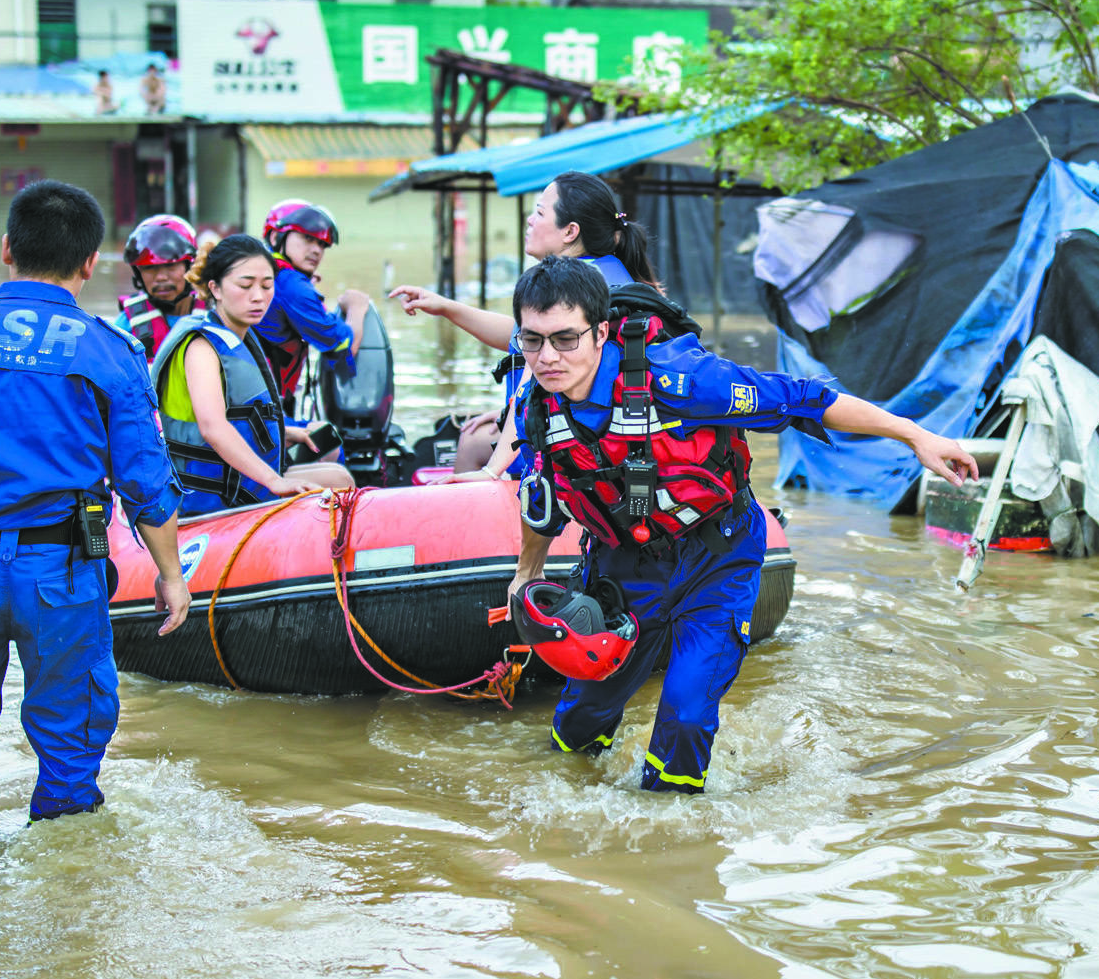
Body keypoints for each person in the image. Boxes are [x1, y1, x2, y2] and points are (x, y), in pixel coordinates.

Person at [506, 256, 978, 794]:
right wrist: (526, 576)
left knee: (685, 714)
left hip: (716, 558)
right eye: (532, 340)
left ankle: (670, 834)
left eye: (565, 339)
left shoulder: (688, 385)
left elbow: (809, 399)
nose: (547, 357)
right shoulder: (536, 409)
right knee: (580, 720)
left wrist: (915, 435)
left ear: (602, 331)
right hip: (623, 566)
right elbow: (542, 499)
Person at [0, 180, 191, 858]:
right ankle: (66, 863)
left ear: (6, 250)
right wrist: (171, 574)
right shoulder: (107, 348)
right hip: (62, 570)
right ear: (89, 263)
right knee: (72, 725)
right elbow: (145, 482)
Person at [388, 171, 660, 475]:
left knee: (471, 441)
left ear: (570, 231)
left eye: (540, 212)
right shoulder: (608, 274)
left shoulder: (569, 286)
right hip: (611, 431)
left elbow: (535, 372)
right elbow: (520, 338)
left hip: (580, 443)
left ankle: (482, 516)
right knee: (482, 429)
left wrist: (490, 471)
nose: (530, 220)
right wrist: (445, 307)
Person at [152, 233, 354, 513]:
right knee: (338, 482)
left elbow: (242, 415)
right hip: (208, 496)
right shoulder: (201, 347)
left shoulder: (238, 335)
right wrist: (273, 480)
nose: (258, 297)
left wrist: (287, 432)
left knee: (335, 470)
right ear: (216, 289)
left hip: (234, 481)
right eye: (245, 285)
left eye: (267, 285)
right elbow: (212, 427)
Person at [255, 200, 370, 416]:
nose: (316, 250)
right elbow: (343, 347)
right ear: (275, 237)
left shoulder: (265, 273)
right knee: (331, 450)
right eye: (307, 238)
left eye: (322, 244)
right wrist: (356, 307)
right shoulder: (293, 286)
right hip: (264, 411)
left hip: (252, 400)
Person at [116, 213, 203, 359]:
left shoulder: (217, 315)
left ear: (190, 267)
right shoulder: (125, 325)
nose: (161, 277)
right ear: (139, 274)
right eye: (150, 268)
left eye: (170, 266)